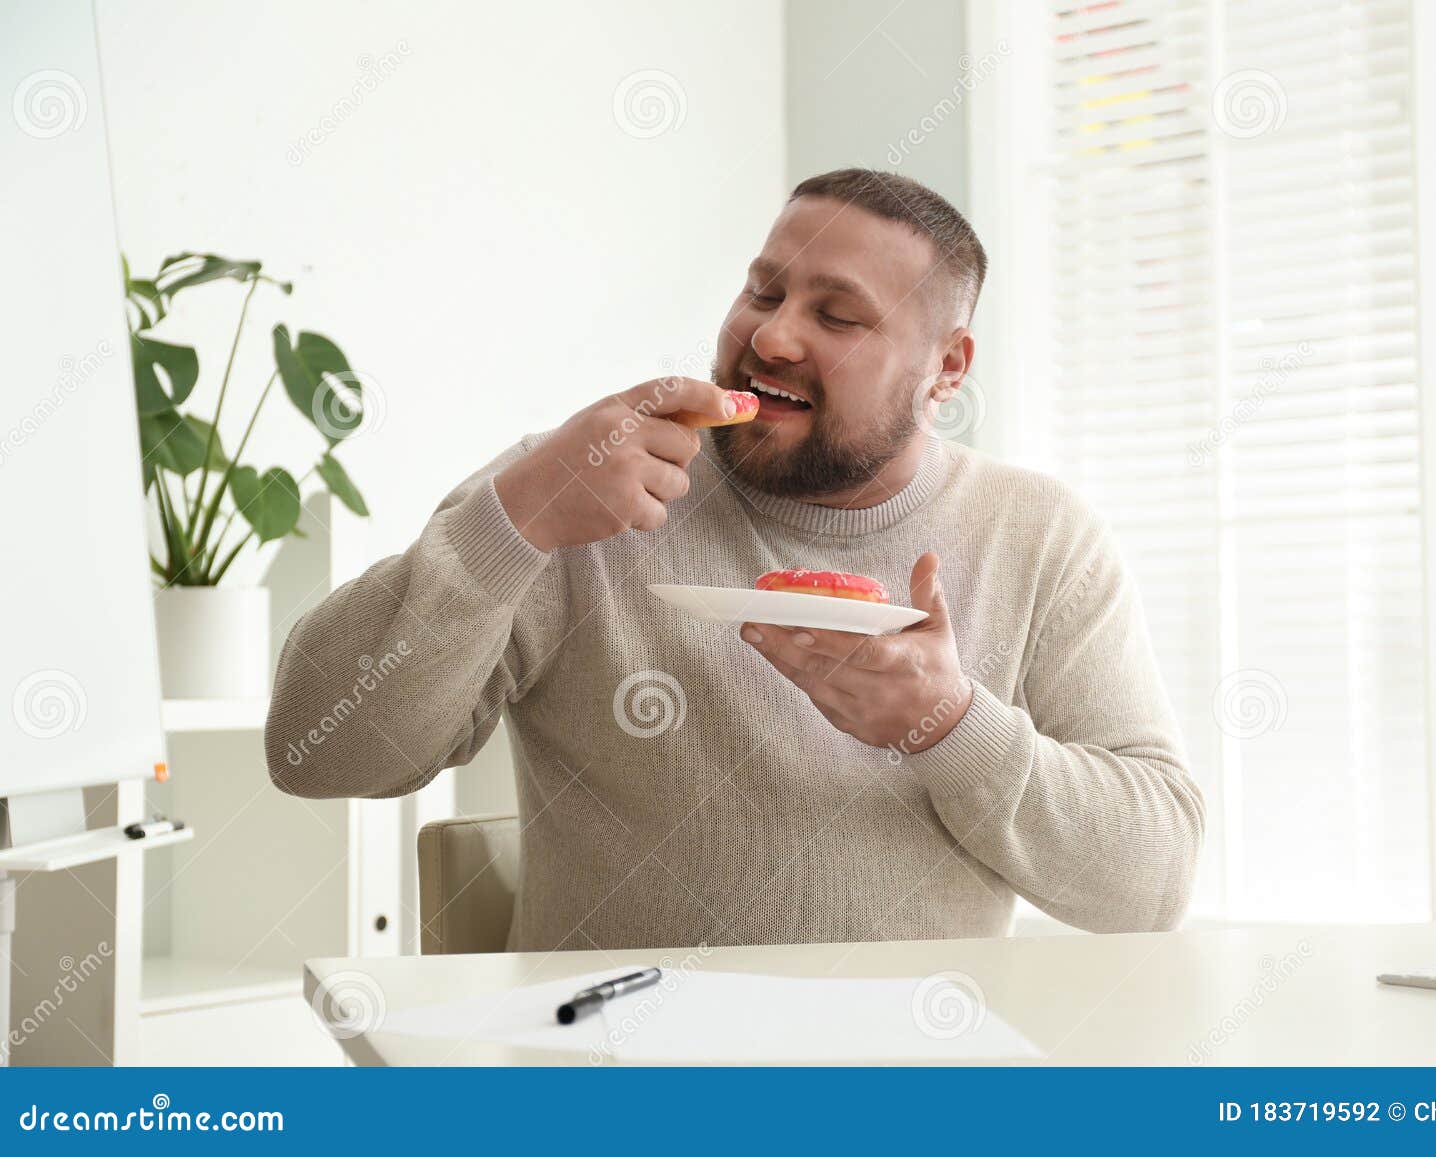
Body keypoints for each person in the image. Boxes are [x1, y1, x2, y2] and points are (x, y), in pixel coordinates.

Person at [265, 168, 1204, 951]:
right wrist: (511, 522)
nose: (771, 336)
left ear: (948, 368)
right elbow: (315, 750)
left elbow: (1150, 886)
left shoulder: (1039, 533)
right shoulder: (575, 485)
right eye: (764, 291)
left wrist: (948, 726)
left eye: (837, 317)